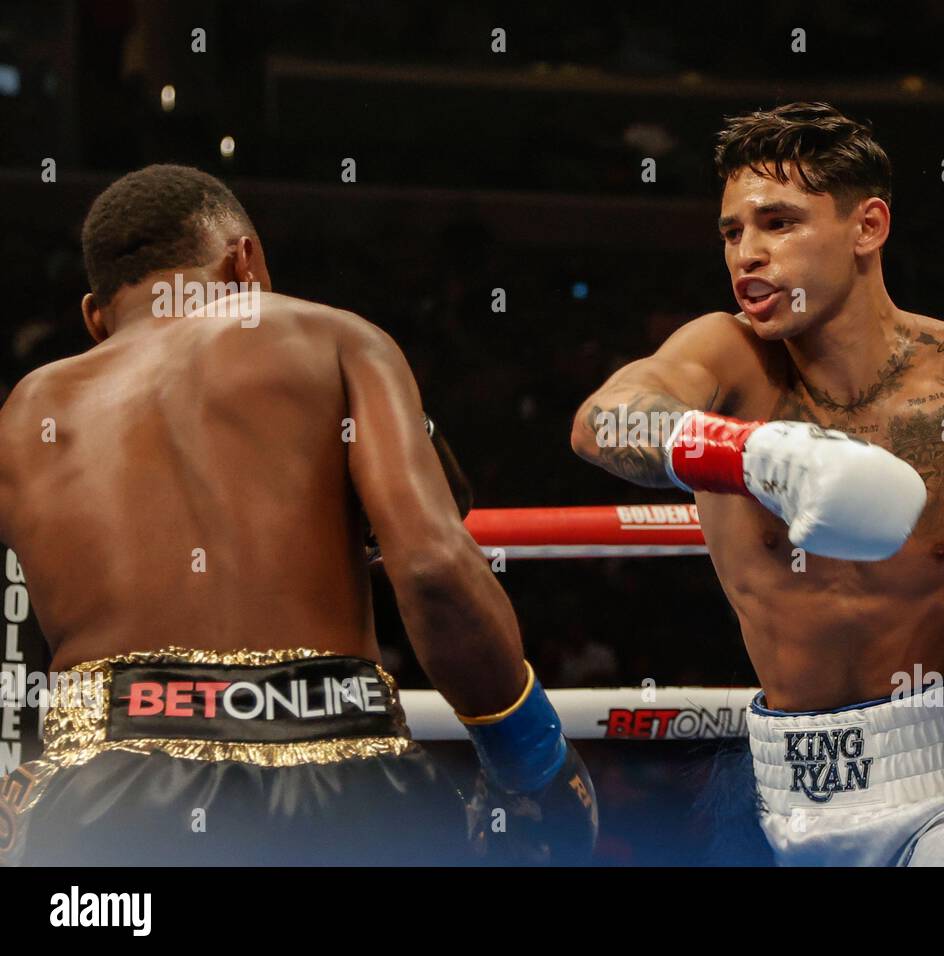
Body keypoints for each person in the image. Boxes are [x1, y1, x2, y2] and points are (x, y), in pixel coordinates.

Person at [572, 103, 944, 866]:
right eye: (731, 231)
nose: (747, 253)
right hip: (782, 787)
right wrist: (756, 455)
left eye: (778, 223)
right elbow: (603, 423)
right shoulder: (726, 359)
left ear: (867, 227)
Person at [0, 164, 595, 866]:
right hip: (342, 780)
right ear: (245, 260)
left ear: (94, 318)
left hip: (104, 801)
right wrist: (529, 757)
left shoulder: (27, 410)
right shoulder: (335, 338)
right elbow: (435, 566)